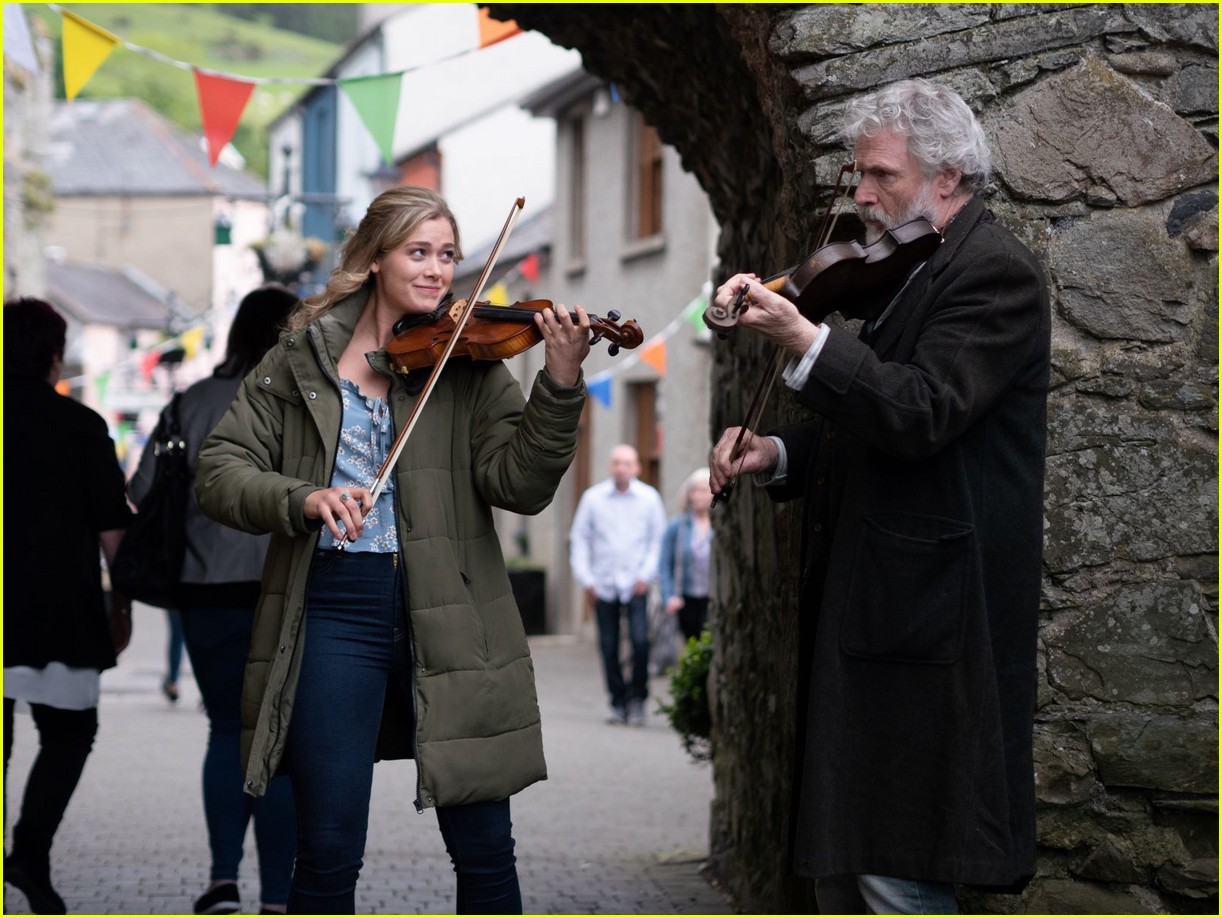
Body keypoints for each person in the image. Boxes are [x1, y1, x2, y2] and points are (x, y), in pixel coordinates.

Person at [194, 185, 591, 914]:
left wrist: (559, 382)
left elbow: (520, 483)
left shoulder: (467, 360)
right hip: (334, 610)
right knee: (328, 845)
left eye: (447, 254)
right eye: (419, 252)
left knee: (484, 847)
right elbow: (220, 471)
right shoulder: (302, 359)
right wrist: (302, 498)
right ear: (375, 258)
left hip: (454, 609)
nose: (439, 270)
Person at [708, 79, 1049, 913]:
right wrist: (779, 452)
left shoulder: (994, 274)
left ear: (948, 177)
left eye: (881, 176)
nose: (861, 194)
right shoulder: (912, 266)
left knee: (900, 863)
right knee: (865, 856)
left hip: (935, 616)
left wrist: (807, 340)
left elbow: (923, 413)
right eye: (858, 174)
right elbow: (873, 434)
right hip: (887, 613)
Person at [130, 285, 300, 915]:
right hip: (281, 588)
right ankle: (280, 895)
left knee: (226, 728)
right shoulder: (300, 399)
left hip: (204, 590)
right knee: (278, 737)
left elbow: (144, 488)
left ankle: (222, 879)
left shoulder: (191, 402)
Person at [3, 297, 134, 914]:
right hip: (61, 603)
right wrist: (124, 607)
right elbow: (114, 532)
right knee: (70, 733)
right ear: (56, 355)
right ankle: (29, 851)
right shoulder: (81, 427)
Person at [569, 445, 667, 726]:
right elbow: (580, 539)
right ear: (610, 467)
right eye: (616, 463)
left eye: (627, 463)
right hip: (603, 584)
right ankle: (617, 701)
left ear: (636, 468)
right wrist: (586, 579)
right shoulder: (593, 499)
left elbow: (656, 540)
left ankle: (638, 699)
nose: (621, 468)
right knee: (609, 647)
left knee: (639, 642)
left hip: (637, 583)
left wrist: (646, 575)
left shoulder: (649, 499)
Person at [658, 468, 714, 644]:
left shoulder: (720, 527)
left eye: (703, 491)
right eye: (693, 491)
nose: (697, 496)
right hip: (685, 599)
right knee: (691, 645)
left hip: (711, 597)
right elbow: (664, 564)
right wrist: (668, 596)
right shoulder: (678, 526)